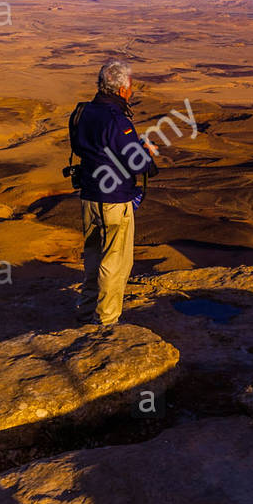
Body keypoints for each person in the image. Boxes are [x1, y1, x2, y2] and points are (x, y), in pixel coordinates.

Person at [68, 59, 159, 326]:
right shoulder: (117, 120)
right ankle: (106, 321)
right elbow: (137, 162)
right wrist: (146, 152)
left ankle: (86, 312)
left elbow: (83, 147)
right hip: (114, 199)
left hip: (89, 195)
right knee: (115, 262)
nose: (131, 91)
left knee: (94, 256)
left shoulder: (84, 112)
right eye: (130, 86)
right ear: (122, 89)